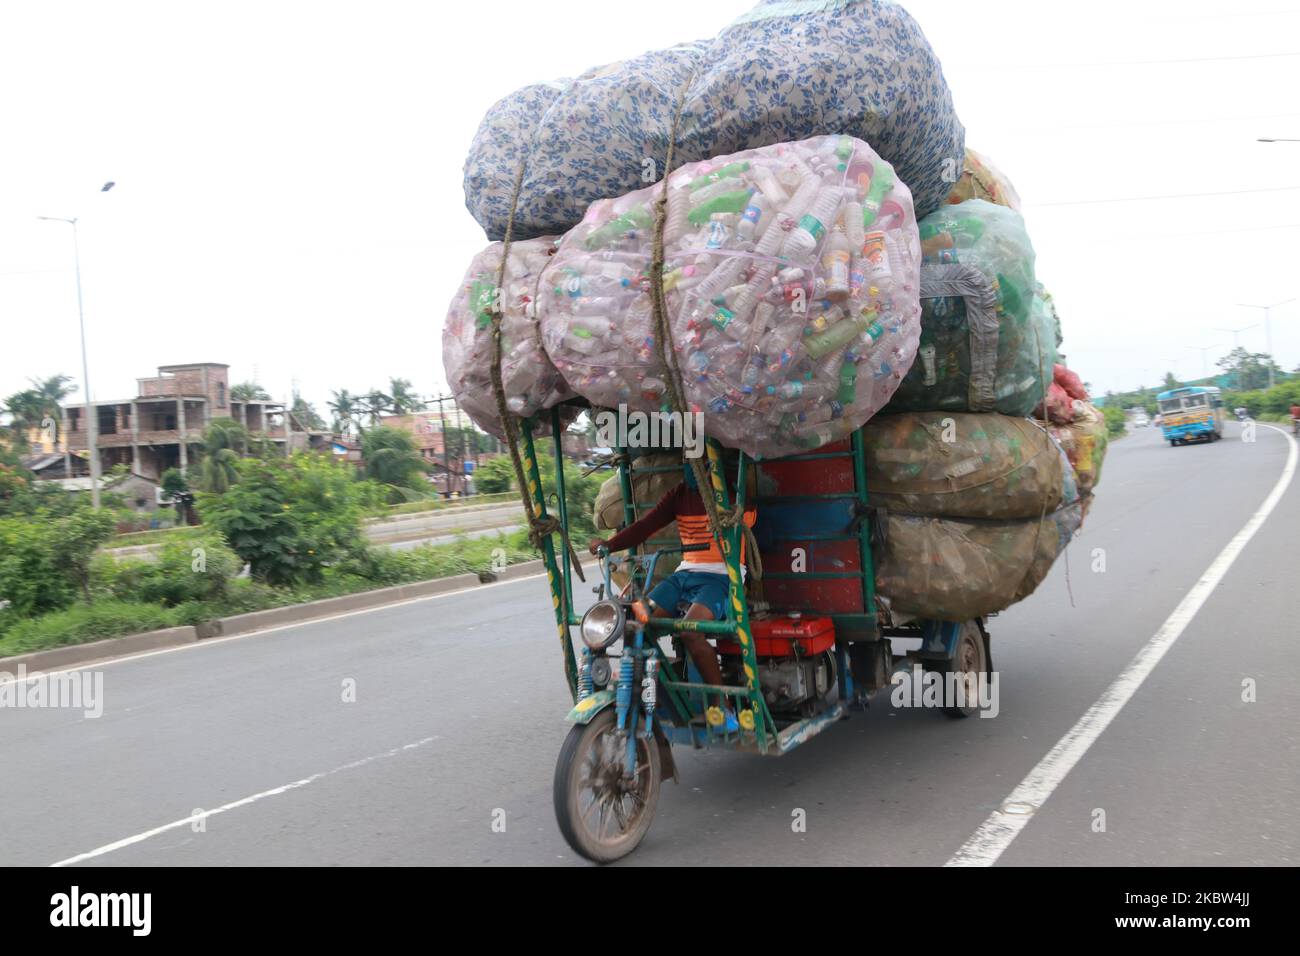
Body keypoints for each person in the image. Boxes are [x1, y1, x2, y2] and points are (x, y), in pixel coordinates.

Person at [589, 461, 756, 732]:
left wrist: (717, 496)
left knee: (691, 630)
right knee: (637, 622)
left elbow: (742, 521)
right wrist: (608, 545)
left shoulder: (732, 495)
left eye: (700, 461)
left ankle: (721, 704)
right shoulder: (679, 494)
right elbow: (645, 526)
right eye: (690, 461)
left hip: (722, 577)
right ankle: (656, 695)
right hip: (684, 575)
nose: (694, 467)